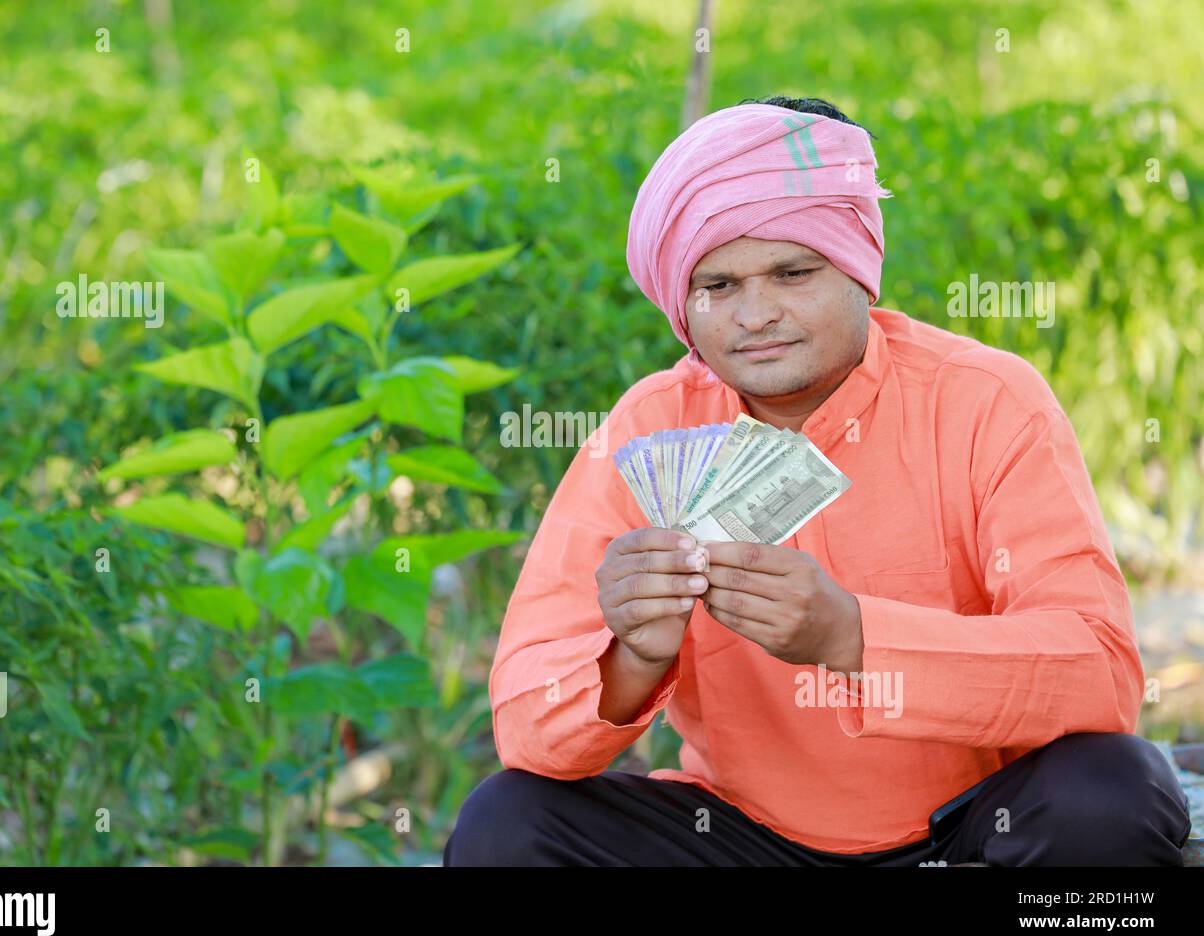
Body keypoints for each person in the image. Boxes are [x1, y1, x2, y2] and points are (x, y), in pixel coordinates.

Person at [443, 96, 1193, 866]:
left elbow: (1099, 675)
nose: (755, 314)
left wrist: (853, 637)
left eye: (792, 272)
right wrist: (632, 658)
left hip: (970, 838)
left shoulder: (985, 399)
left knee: (1112, 791)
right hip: (738, 842)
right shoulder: (651, 427)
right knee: (508, 823)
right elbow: (526, 728)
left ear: (858, 266)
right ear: (682, 300)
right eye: (719, 285)